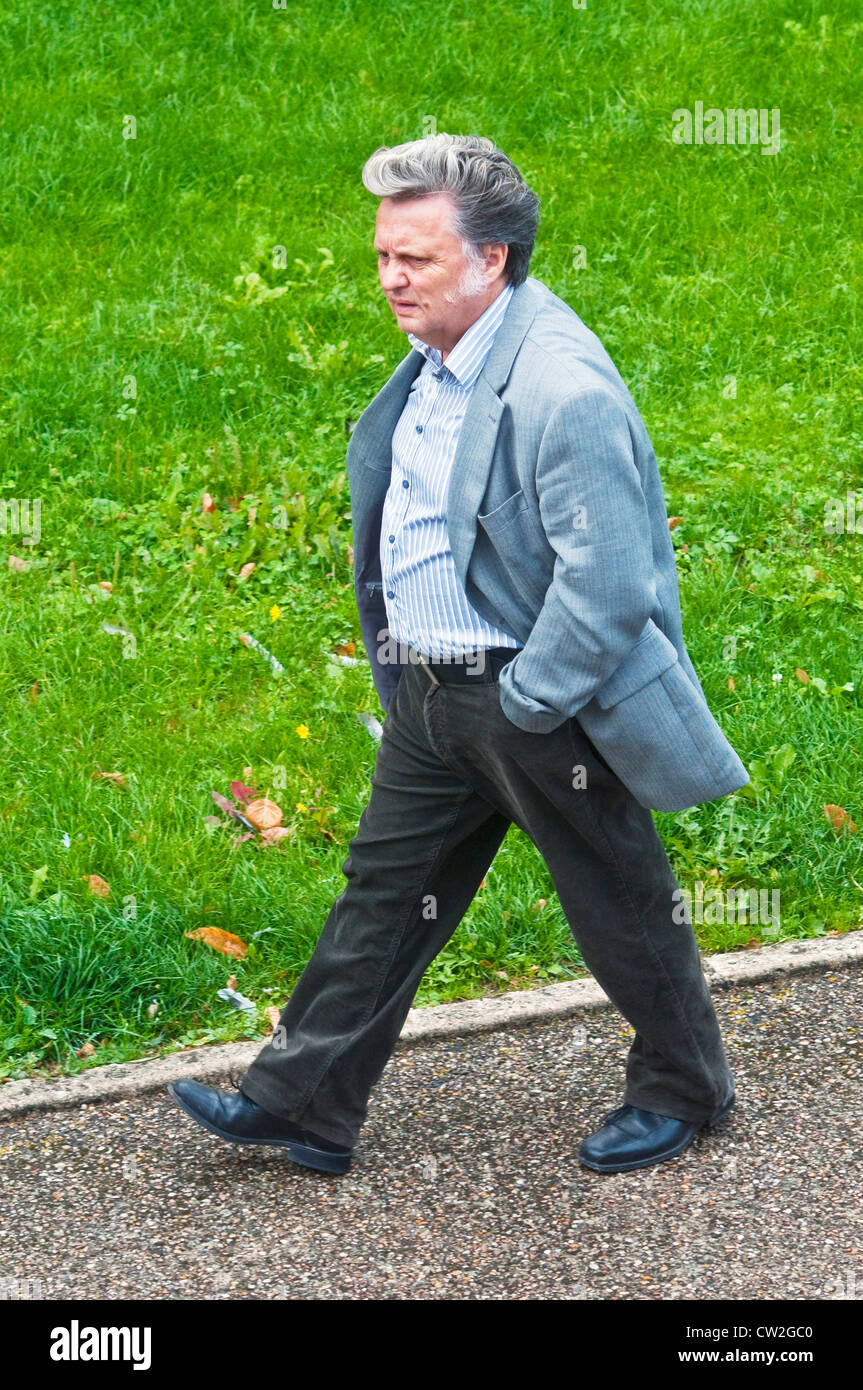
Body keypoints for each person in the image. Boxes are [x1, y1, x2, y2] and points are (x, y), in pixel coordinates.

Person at [169, 134, 747, 1177]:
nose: (390, 278)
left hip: (531, 701)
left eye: (415, 258)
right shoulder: (445, 353)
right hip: (431, 696)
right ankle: (301, 1102)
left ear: (492, 259)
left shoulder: (558, 388)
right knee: (383, 895)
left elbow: (611, 584)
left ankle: (686, 1089)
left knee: (616, 900)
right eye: (383, 255)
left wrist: (528, 698)